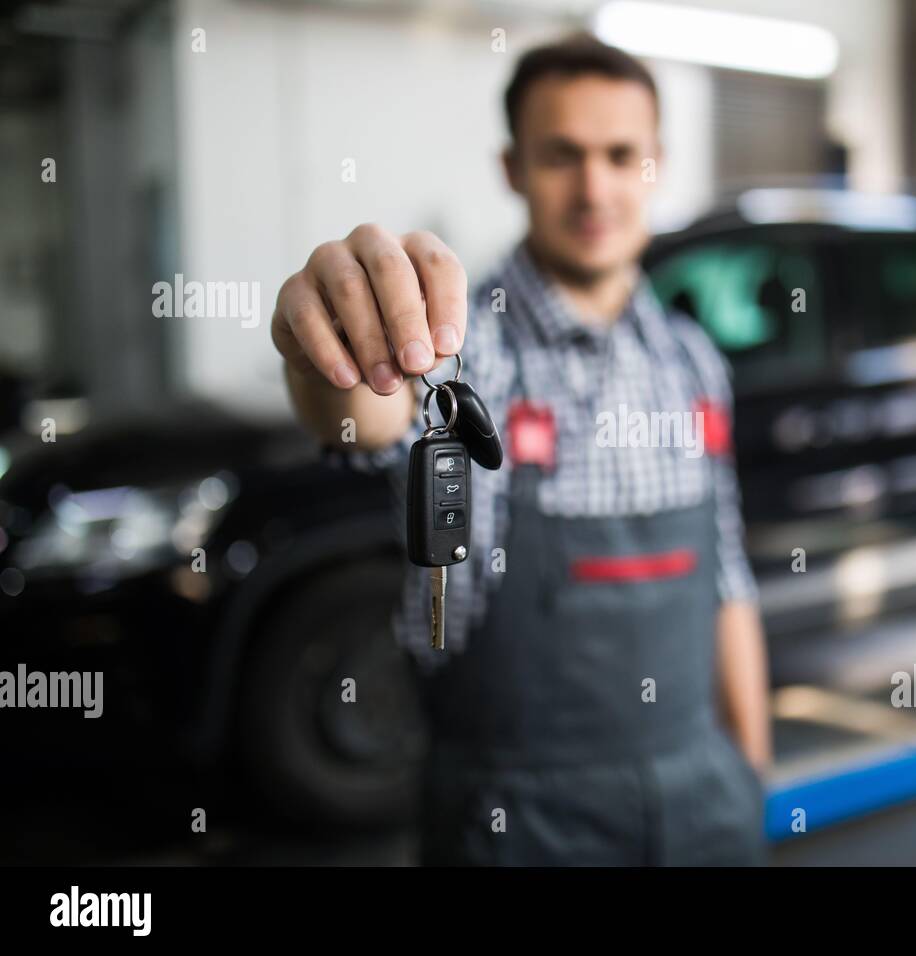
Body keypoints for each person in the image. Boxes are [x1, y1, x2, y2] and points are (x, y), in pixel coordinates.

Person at [270, 32, 771, 865]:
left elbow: (728, 578)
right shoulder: (467, 351)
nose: (594, 186)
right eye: (561, 155)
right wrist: (325, 340)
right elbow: (364, 419)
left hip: (703, 810)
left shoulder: (693, 361)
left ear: (655, 166)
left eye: (621, 155)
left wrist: (749, 774)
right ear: (513, 168)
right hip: (515, 827)